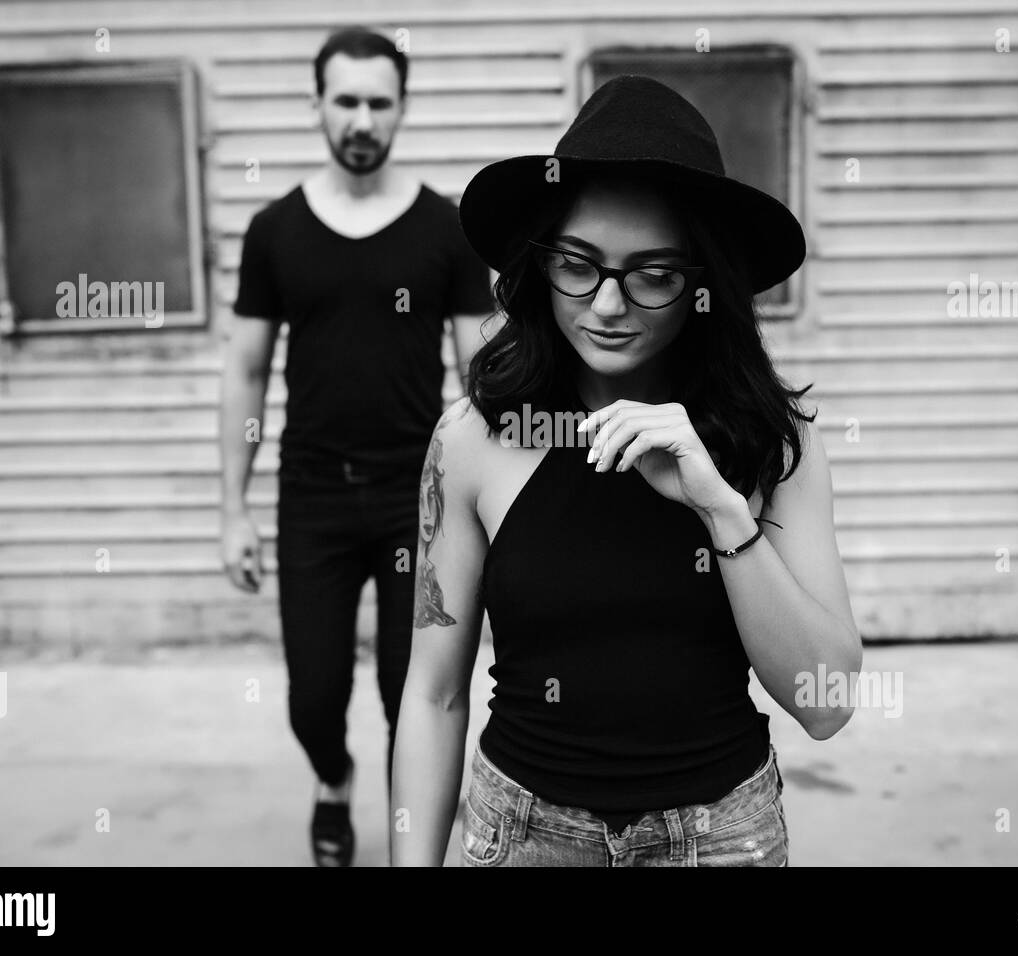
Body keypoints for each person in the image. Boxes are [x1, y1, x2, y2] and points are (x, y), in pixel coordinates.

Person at [390, 75, 862, 867]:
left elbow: (830, 702)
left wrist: (719, 507)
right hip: (526, 837)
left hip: (721, 840)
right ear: (542, 267)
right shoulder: (473, 439)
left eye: (652, 273)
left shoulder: (773, 440)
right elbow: (434, 694)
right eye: (579, 263)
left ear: (702, 284)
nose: (608, 304)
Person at [220, 26, 494, 867]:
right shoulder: (275, 231)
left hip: (419, 500)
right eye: (347, 100)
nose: (363, 118)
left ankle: (406, 835)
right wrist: (230, 509)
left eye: (380, 101)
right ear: (317, 107)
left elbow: (482, 374)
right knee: (315, 695)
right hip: (312, 497)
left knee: (406, 691)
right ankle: (332, 781)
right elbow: (245, 372)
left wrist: (502, 503)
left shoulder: (446, 228)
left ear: (403, 108)